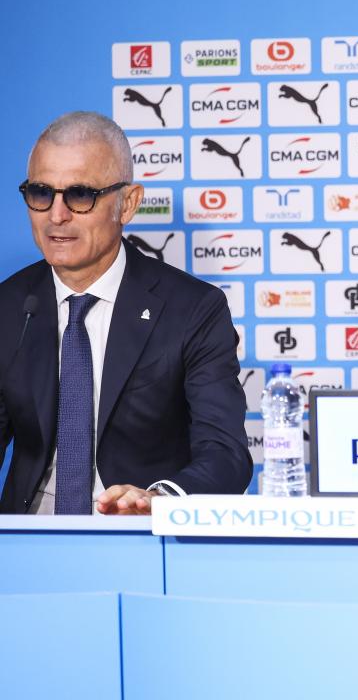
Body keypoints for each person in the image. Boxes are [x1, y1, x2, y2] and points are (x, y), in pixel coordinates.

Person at [0, 111, 251, 514]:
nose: (56, 215)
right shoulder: (10, 306)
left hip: (140, 541)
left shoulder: (192, 310)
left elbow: (226, 453)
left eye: (80, 195)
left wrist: (161, 500)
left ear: (128, 204)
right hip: (25, 543)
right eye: (41, 192)